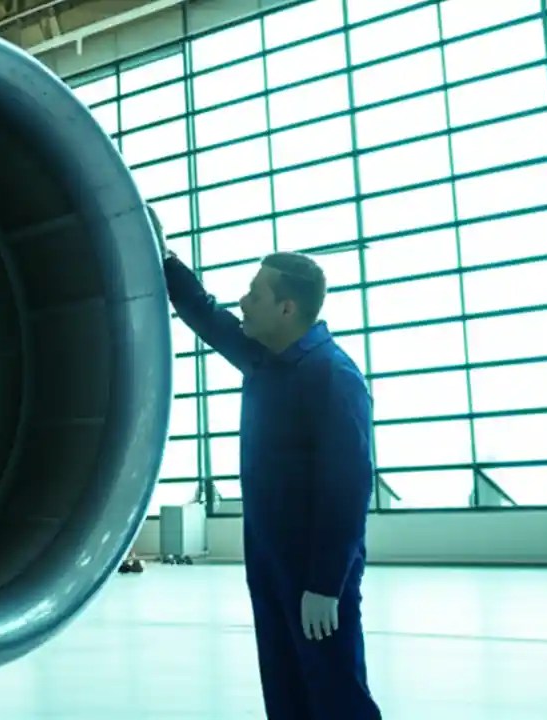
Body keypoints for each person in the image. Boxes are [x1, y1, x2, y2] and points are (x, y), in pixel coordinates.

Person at [149, 206, 380, 720]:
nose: (243, 300)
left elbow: (347, 490)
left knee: (336, 692)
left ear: (287, 309)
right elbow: (204, 313)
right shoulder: (263, 358)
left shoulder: (333, 378)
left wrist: (325, 584)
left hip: (314, 567)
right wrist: (164, 256)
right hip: (268, 559)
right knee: (285, 689)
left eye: (255, 293)